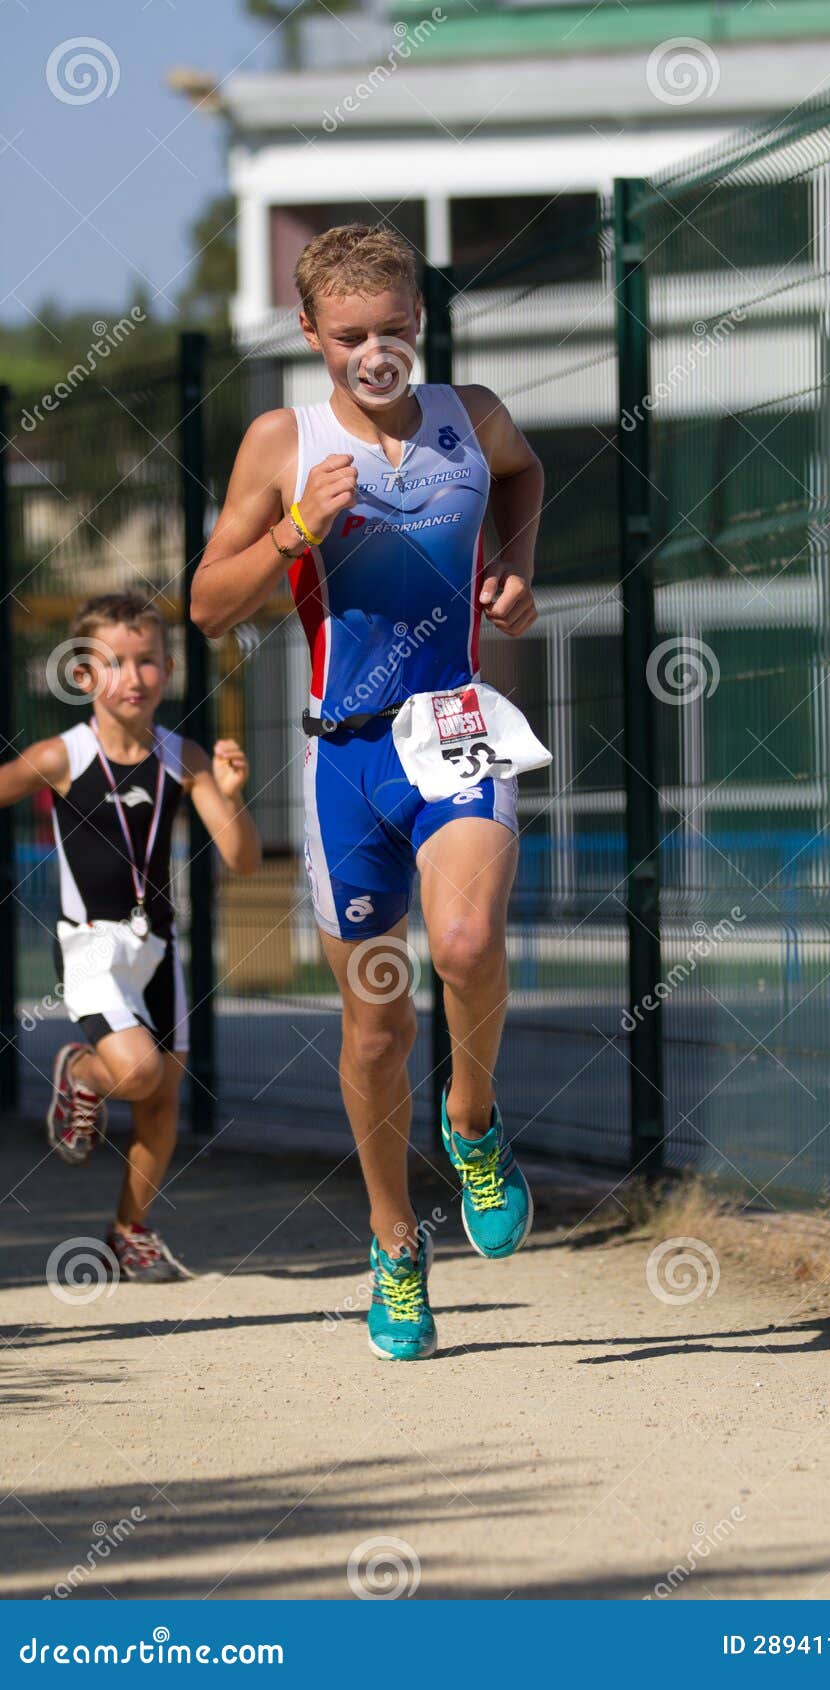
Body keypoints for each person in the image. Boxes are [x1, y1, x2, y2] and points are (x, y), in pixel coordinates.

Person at [191, 223, 543, 1360]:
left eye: (393, 329)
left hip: (451, 732)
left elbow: (522, 477)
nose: (374, 353)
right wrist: (299, 529)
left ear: (418, 325)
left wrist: (513, 563)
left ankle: (475, 1125)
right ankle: (395, 1242)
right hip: (344, 759)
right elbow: (206, 604)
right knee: (379, 1025)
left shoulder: (469, 418)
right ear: (309, 334)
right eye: (350, 336)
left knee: (467, 936)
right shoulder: (280, 443)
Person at [0, 593, 261, 1280]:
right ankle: (81, 1072)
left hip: (157, 945)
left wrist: (229, 794)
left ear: (169, 669)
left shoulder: (184, 756)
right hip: (89, 944)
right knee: (137, 1071)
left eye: (147, 661)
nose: (133, 676)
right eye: (114, 662)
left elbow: (242, 859)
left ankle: (129, 1230)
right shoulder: (62, 754)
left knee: (161, 1096)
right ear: (84, 676)